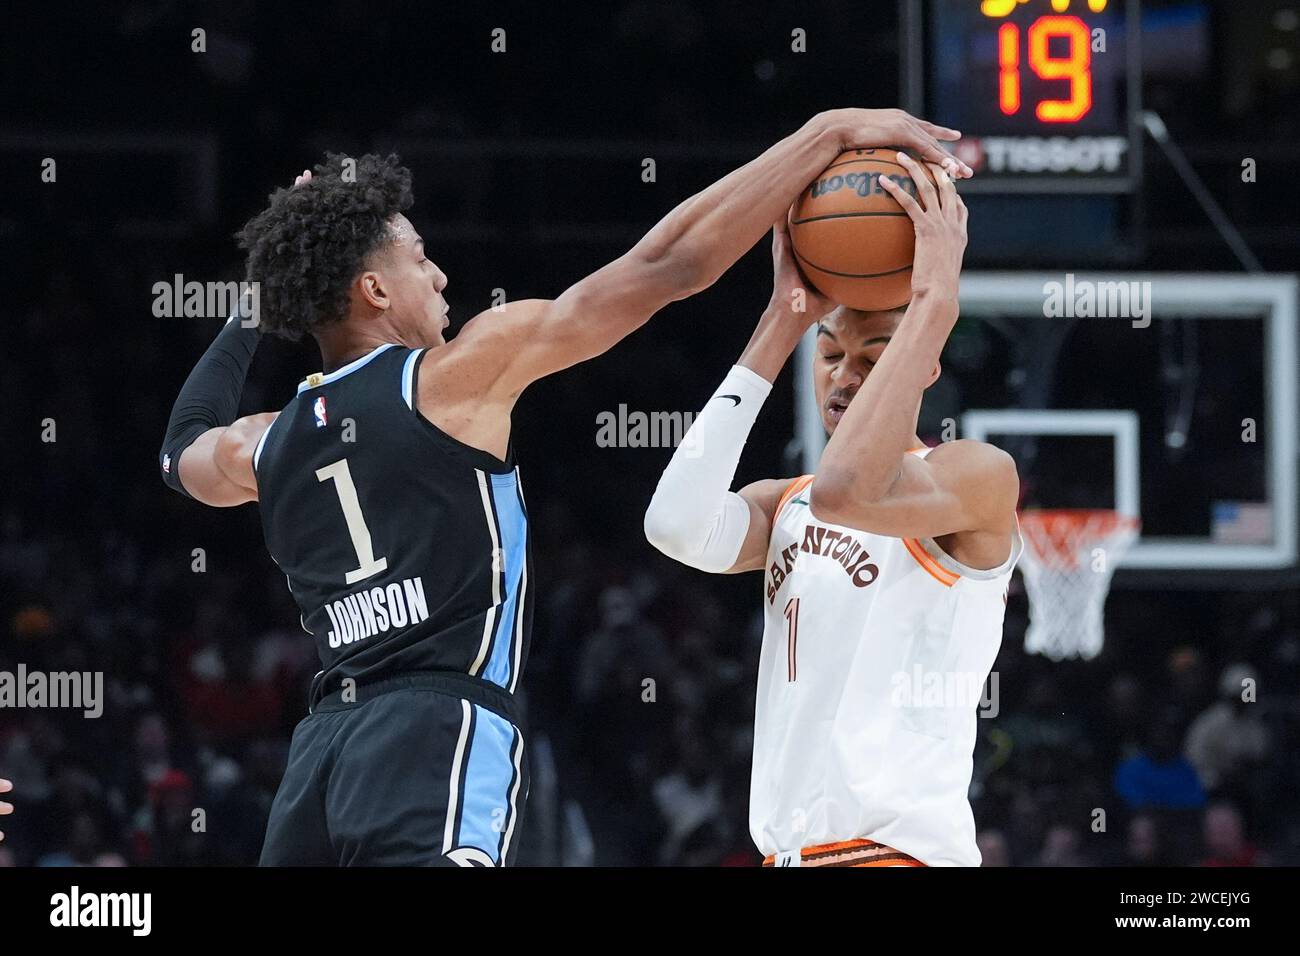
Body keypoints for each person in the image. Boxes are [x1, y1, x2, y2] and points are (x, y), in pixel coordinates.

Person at [158, 114, 971, 867]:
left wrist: (256, 303)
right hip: (434, 725)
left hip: (321, 750)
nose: (440, 274)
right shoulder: (451, 377)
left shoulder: (263, 440)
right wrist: (824, 134)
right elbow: (667, 267)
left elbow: (179, 448)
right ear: (374, 291)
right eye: (417, 256)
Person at [644, 152, 1020, 867]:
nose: (844, 377)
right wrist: (781, 323)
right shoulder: (785, 503)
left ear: (924, 363)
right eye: (829, 355)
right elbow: (673, 525)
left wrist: (934, 303)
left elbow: (849, 493)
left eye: (874, 357)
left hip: (895, 856)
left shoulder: (974, 475)